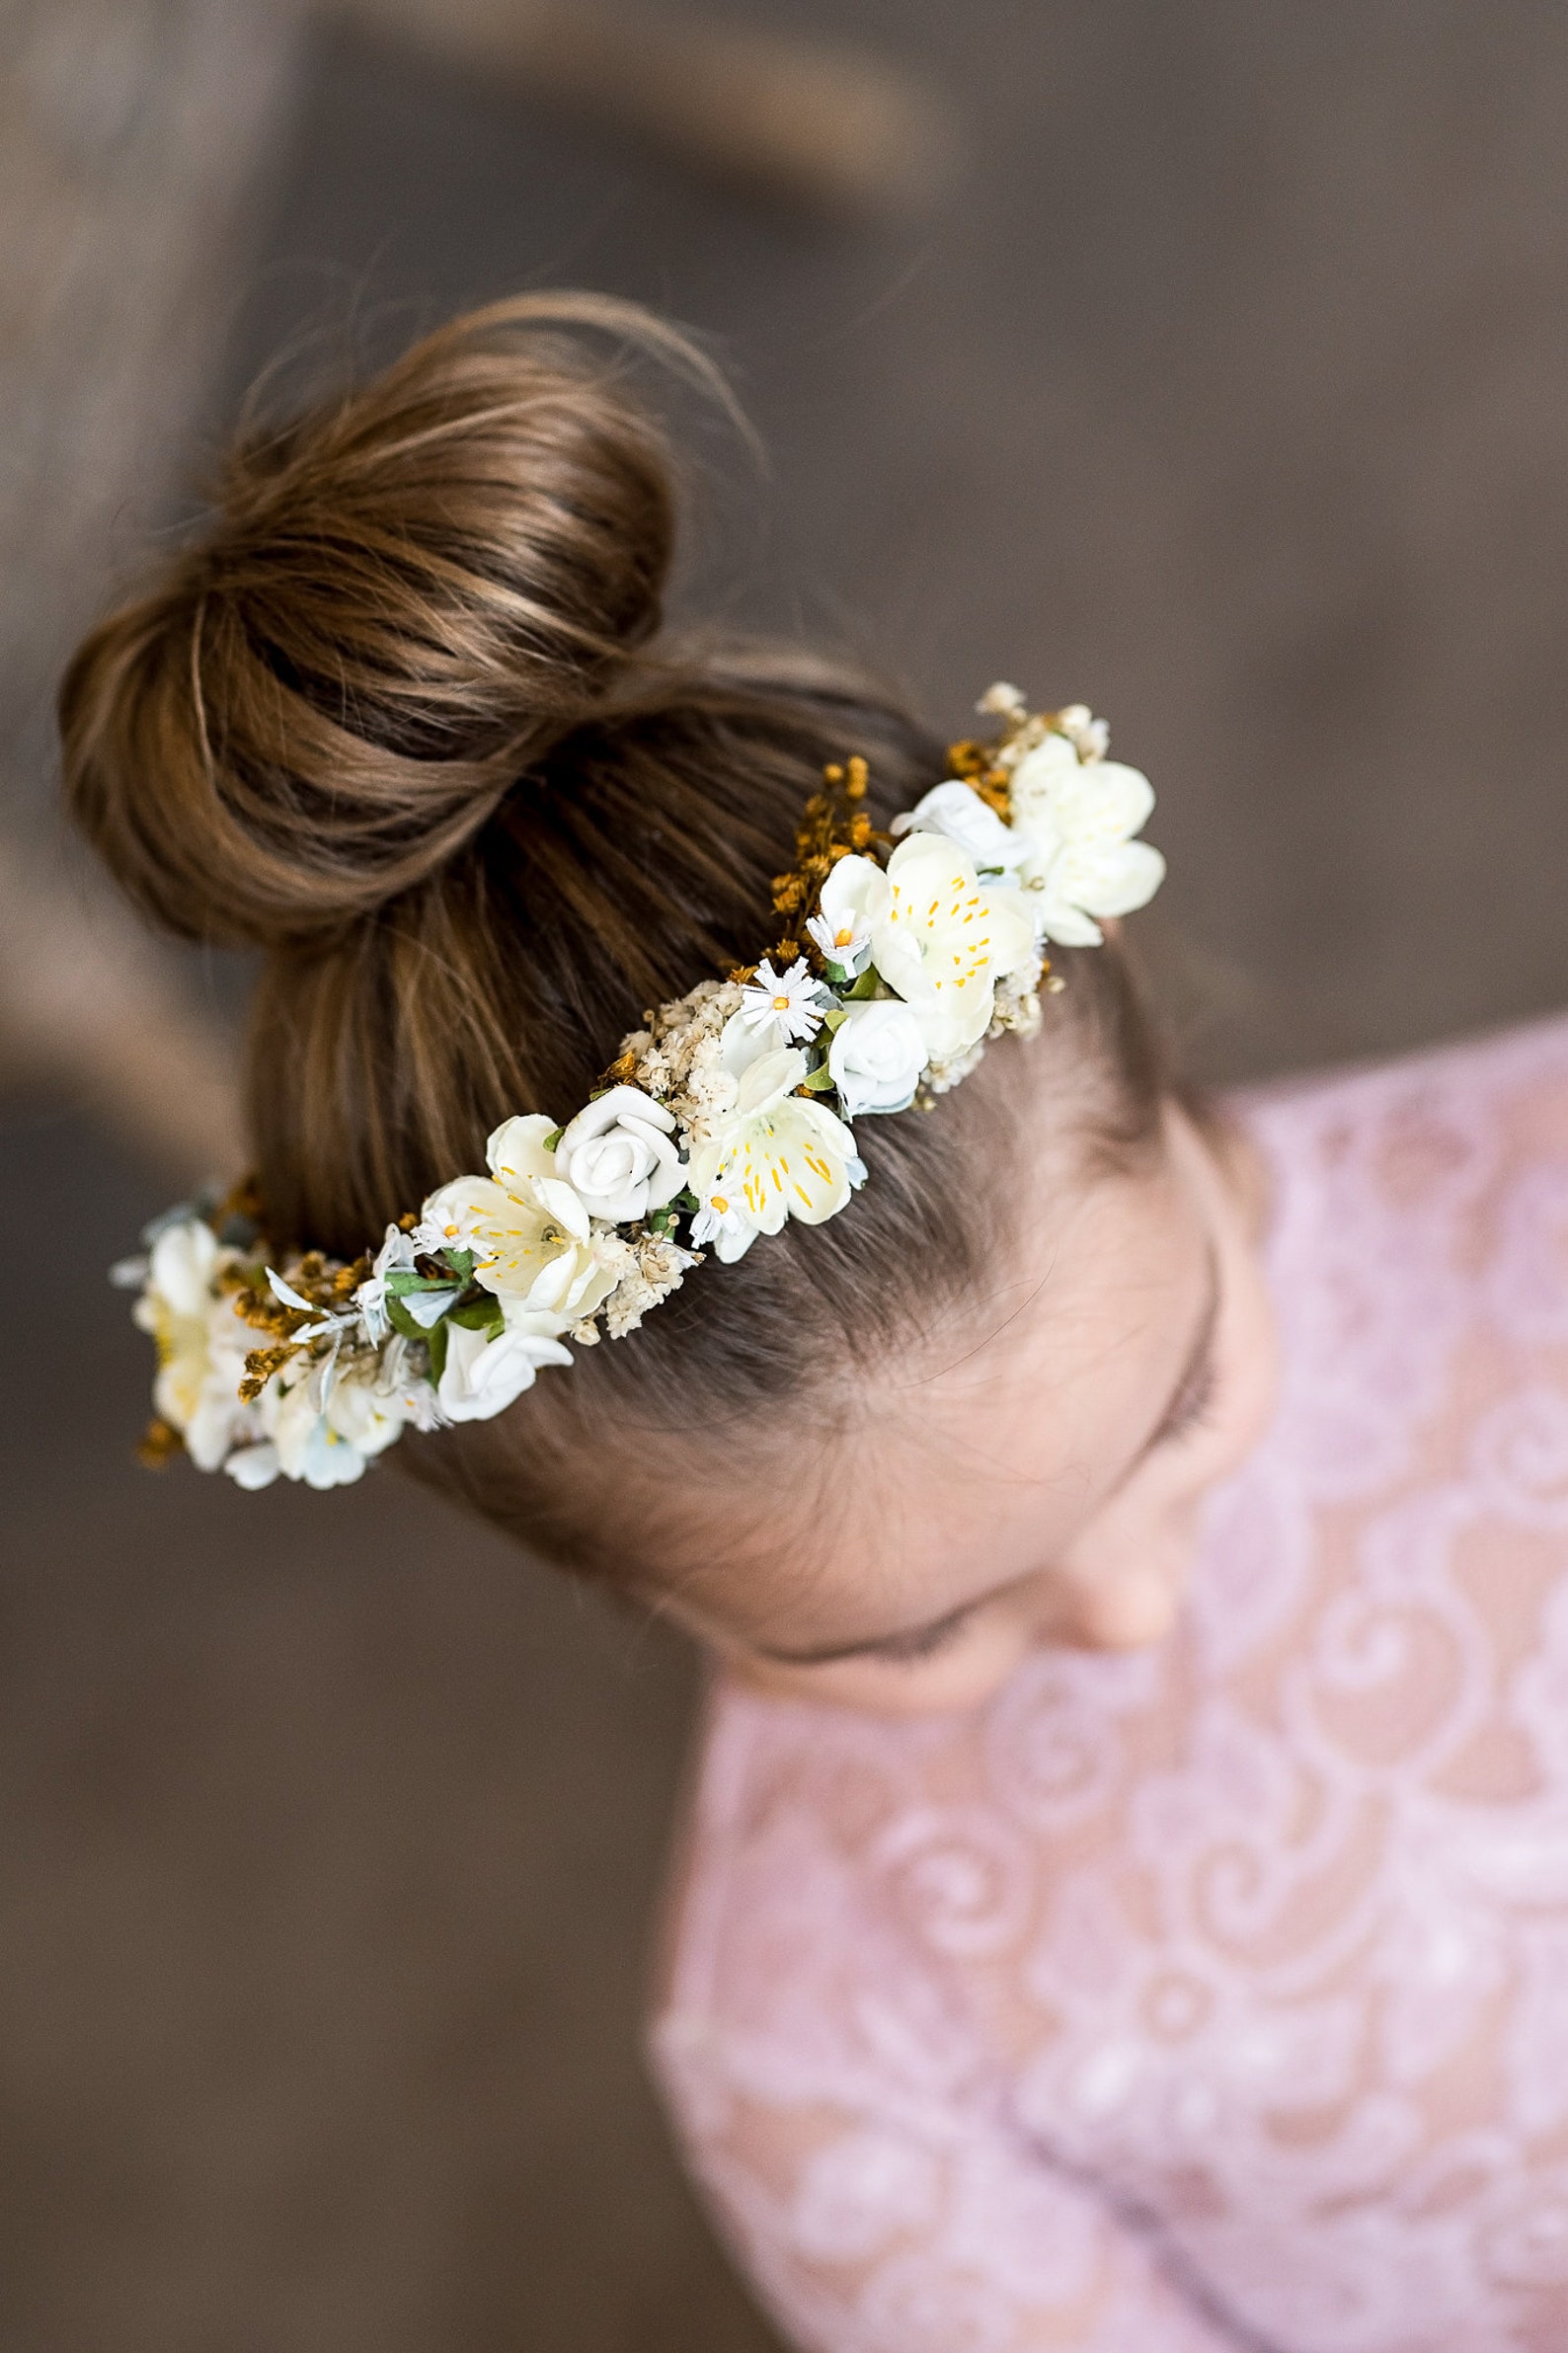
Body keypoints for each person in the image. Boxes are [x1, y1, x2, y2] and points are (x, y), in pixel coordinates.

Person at [62, 293, 1568, 2350]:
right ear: (620, 1585)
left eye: (1181, 1403)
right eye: (913, 1631)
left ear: (1117, 991)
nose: (1126, 1611)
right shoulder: (824, 2055)